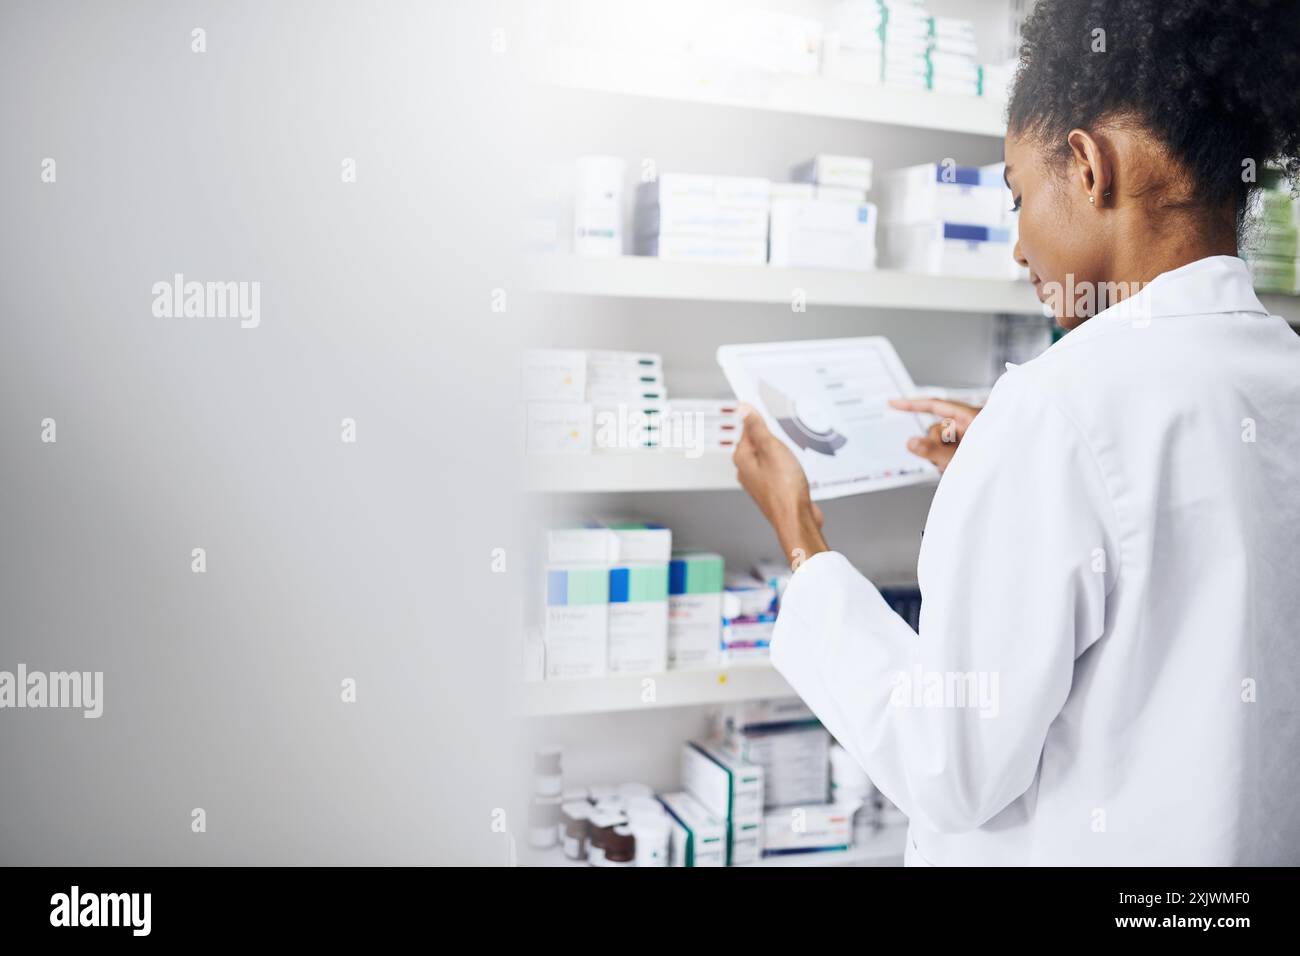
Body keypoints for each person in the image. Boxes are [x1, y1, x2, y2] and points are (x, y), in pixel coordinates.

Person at [733, 0, 1300, 865]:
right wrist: (1010, 479)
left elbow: (950, 768)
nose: (1017, 247)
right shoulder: (1282, 371)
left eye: (1017, 196)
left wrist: (801, 541)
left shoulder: (1055, 409)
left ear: (1089, 167)